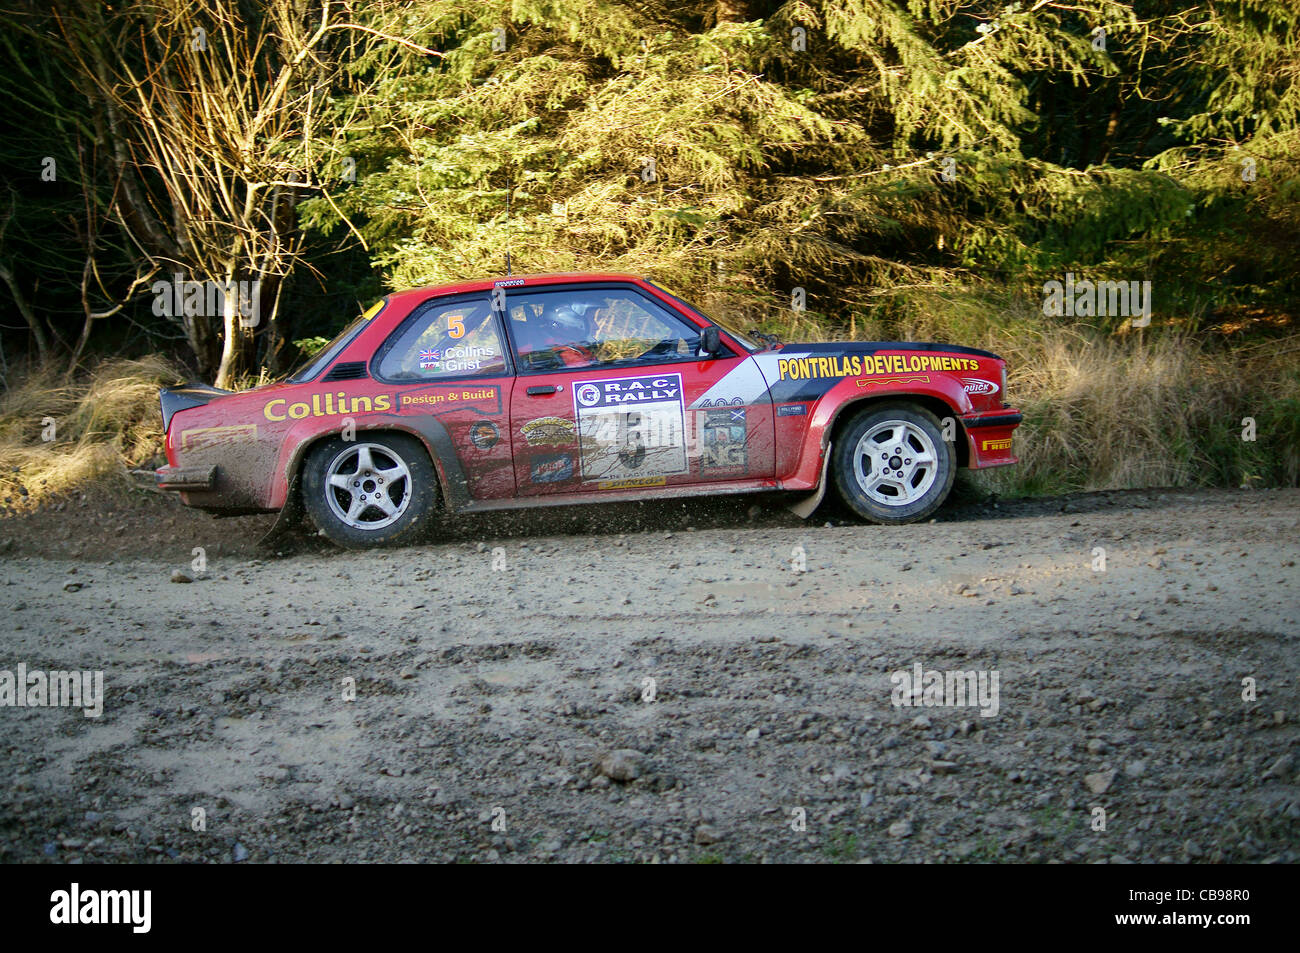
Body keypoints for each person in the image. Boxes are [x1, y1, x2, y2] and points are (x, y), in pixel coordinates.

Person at [513, 300, 595, 367]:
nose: (596, 326)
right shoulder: (567, 354)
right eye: (592, 319)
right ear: (571, 322)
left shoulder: (574, 347)